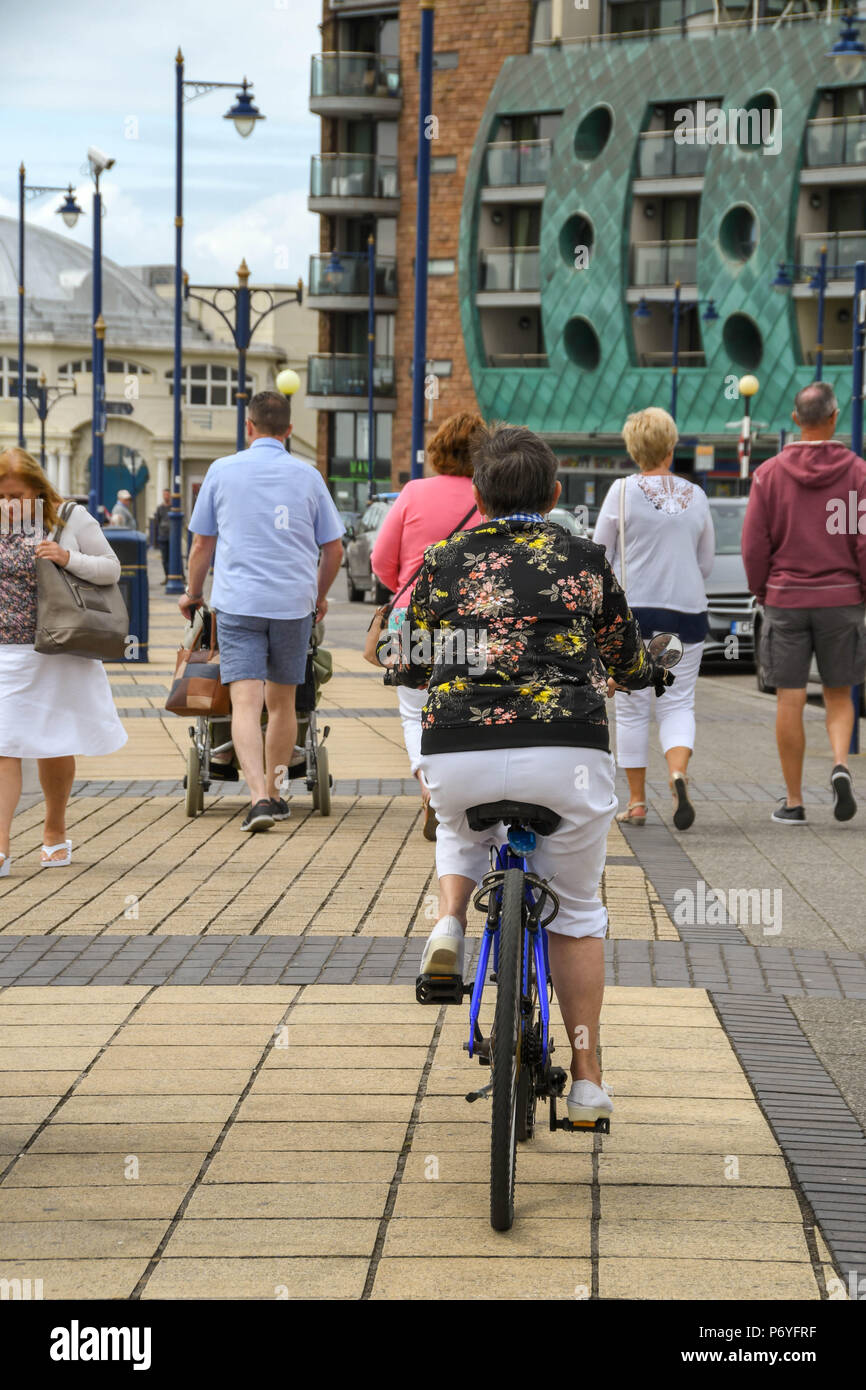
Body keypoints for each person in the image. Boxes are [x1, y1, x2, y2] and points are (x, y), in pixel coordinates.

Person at [378, 424, 670, 1127]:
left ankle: (449, 923)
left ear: (478, 497)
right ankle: (588, 1079)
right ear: (555, 494)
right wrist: (650, 670)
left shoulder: (442, 561)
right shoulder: (584, 559)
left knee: (460, 829)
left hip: (459, 752)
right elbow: (626, 659)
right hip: (566, 757)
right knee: (577, 912)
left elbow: (407, 663)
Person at [181, 390, 344, 832]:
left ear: (248, 426)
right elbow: (333, 548)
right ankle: (275, 791)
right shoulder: (308, 475)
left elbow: (201, 545)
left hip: (238, 603)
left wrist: (192, 593)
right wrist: (319, 595)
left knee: (245, 702)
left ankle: (256, 800)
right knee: (283, 702)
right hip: (293, 604)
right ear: (289, 430)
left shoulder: (221, 471)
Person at [742, 381, 866, 824]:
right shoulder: (857, 474)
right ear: (834, 418)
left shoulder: (768, 474)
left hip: (786, 599)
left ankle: (794, 802)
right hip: (842, 600)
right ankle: (840, 764)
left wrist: (763, 590)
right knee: (839, 693)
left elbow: (754, 545)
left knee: (790, 700)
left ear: (796, 419)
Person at [0, 448, 127, 875]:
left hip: (57, 647)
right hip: (5, 652)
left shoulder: (69, 517)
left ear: (38, 490)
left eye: (16, 495)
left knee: (54, 742)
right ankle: (1, 846)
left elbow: (111, 569)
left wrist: (67, 557)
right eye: (1, 496)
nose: (8, 504)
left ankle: (54, 830)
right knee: (3, 745)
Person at [593, 407, 715, 830]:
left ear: (633, 449)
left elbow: (600, 555)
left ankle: (637, 802)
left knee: (632, 709)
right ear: (671, 446)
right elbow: (705, 564)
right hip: (686, 617)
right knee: (677, 702)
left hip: (635, 618)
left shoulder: (621, 492)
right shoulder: (696, 495)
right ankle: (678, 774)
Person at [370, 411, 484, 838]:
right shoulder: (487, 497)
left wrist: (404, 589)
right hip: (471, 621)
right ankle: (458, 793)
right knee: (466, 706)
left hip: (412, 619)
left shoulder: (413, 492)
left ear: (438, 451)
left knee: (414, 712)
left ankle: (429, 790)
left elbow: (380, 560)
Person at [153, 488, 171, 582]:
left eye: (167, 494)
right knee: (165, 558)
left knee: (175, 557)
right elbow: (157, 521)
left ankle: (179, 576)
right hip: (163, 536)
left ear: (170, 495)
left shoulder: (173, 507)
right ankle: (167, 576)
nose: (166, 496)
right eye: (164, 494)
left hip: (172, 537)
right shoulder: (160, 508)